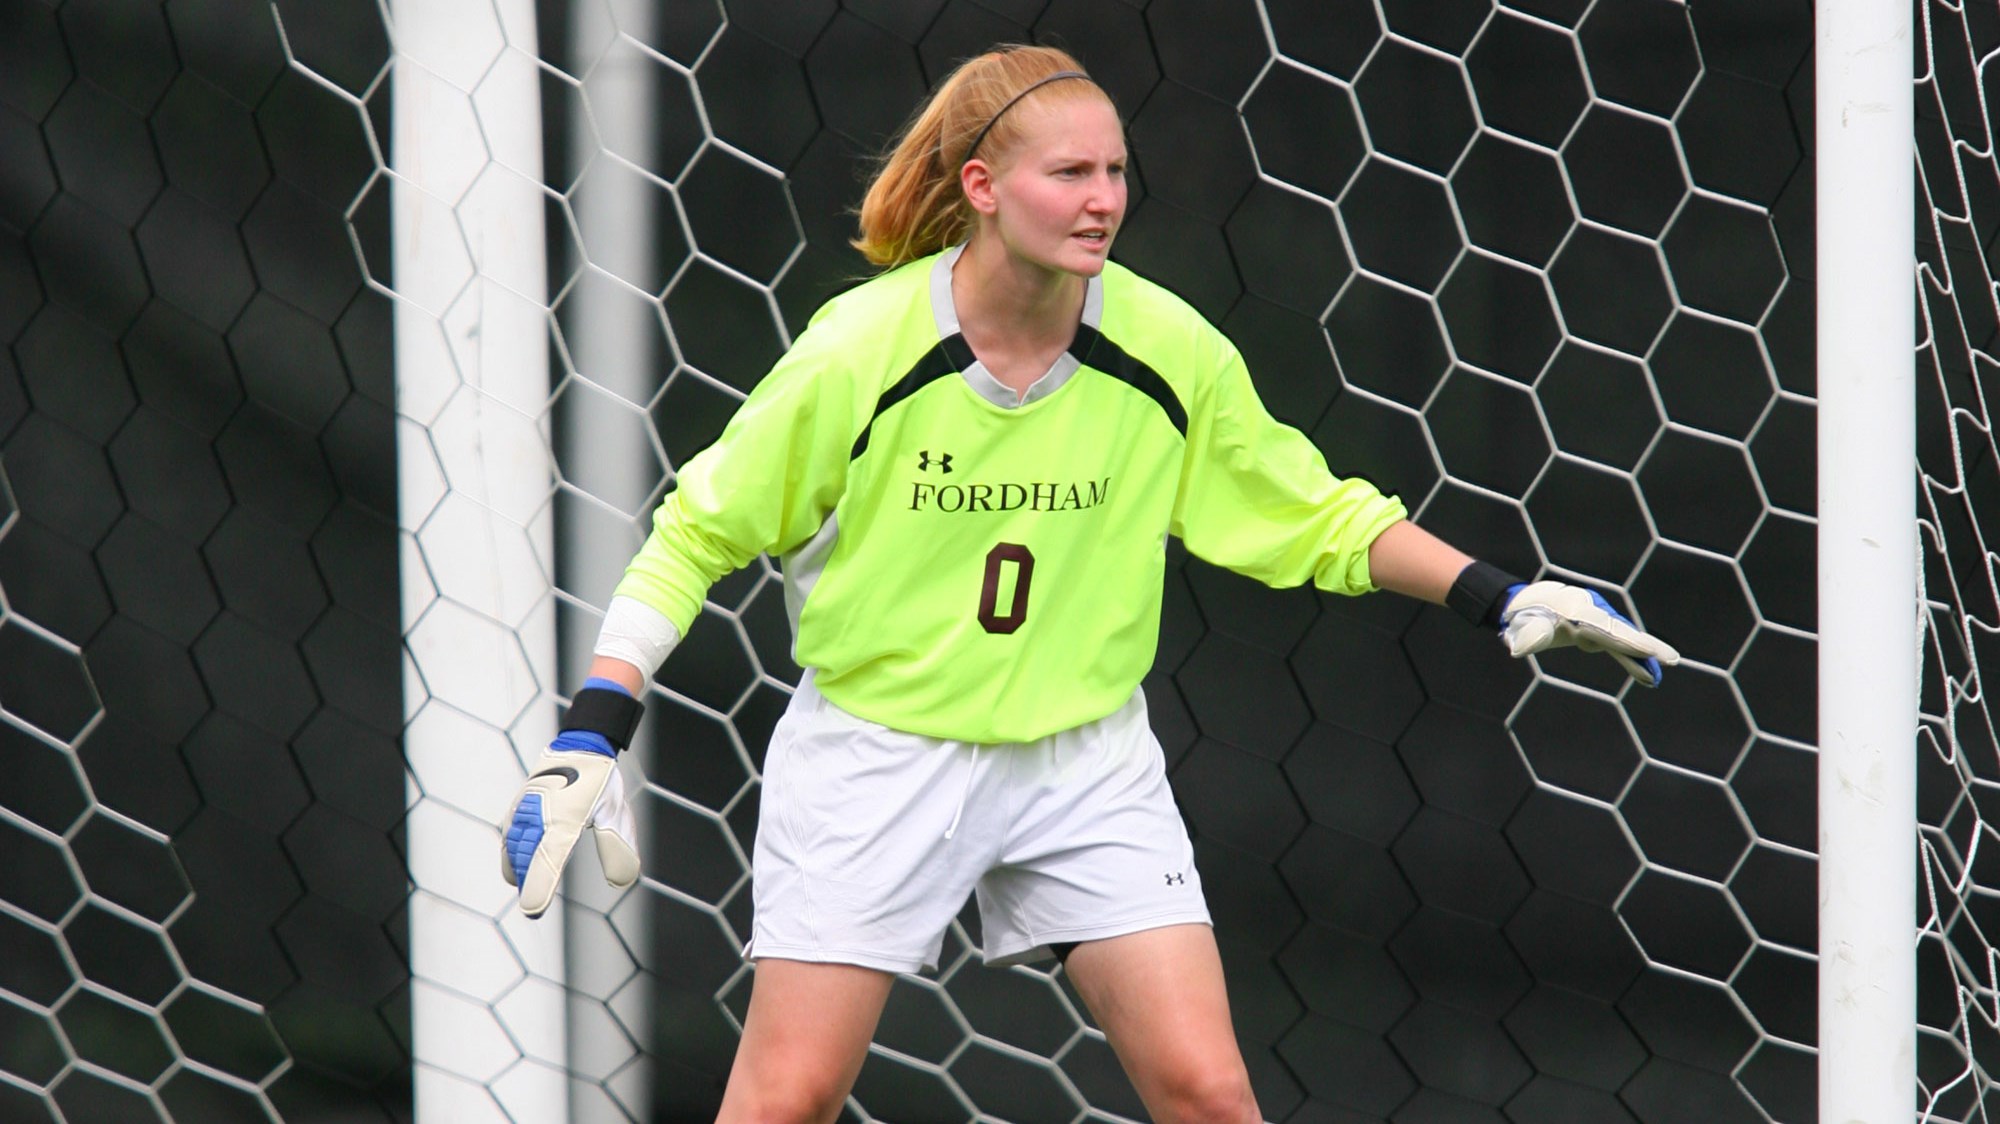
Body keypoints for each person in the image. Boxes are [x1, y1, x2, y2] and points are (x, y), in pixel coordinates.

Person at [499, 44, 1678, 1124]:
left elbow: (1316, 515)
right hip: (877, 756)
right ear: (978, 189)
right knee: (785, 1099)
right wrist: (592, 733)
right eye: (1069, 171)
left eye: (1115, 170)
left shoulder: (1165, 347)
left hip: (1083, 760)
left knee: (1209, 1090)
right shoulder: (858, 352)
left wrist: (1499, 592)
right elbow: (693, 533)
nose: (1103, 198)